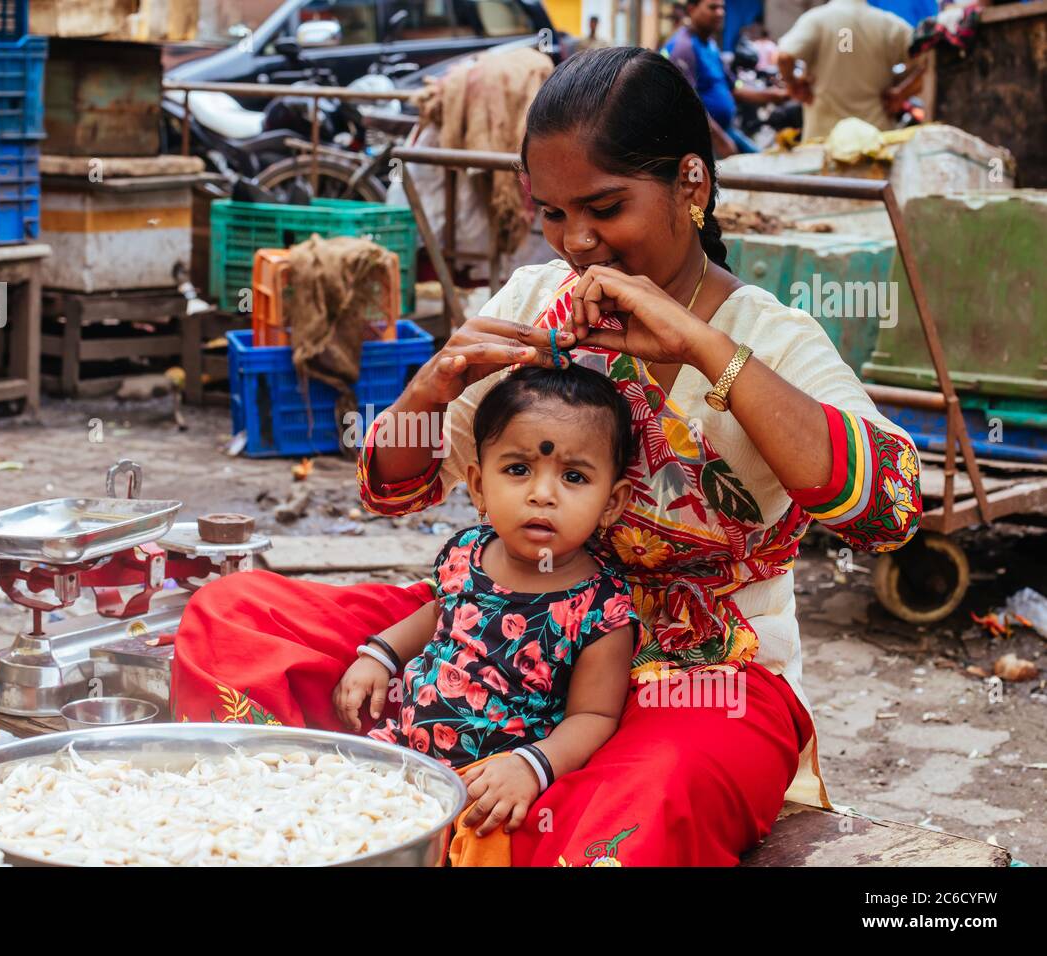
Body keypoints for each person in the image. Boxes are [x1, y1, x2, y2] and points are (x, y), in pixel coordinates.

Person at [170, 46, 923, 866]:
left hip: (689, 680)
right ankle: (429, 806)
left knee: (642, 808)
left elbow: (888, 510)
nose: (578, 244)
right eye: (554, 214)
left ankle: (448, 807)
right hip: (492, 631)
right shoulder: (534, 303)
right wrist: (429, 387)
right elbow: (398, 487)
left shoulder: (769, 336)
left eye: (604, 207)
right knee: (232, 619)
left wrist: (709, 352)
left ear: (691, 186)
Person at [334, 364, 639, 849]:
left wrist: (531, 767)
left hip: (493, 787)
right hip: (402, 754)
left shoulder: (602, 608)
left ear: (612, 502)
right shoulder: (467, 551)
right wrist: (380, 655)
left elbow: (595, 717)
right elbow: (440, 614)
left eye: (575, 476)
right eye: (518, 470)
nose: (542, 494)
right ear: (477, 484)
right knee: (330, 813)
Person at [776, 0, 919, 139]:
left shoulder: (817, 19)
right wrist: (903, 93)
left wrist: (792, 84)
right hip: (875, 136)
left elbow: (783, 57)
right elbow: (928, 58)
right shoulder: (888, 24)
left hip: (825, 136)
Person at [664, 0, 788, 154]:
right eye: (712, 7)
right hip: (703, 137)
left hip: (726, 129)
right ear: (692, 9)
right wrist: (719, 140)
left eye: (722, 7)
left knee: (761, 161)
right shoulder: (683, 48)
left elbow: (733, 89)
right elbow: (685, 104)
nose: (720, 12)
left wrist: (772, 95)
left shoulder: (710, 44)